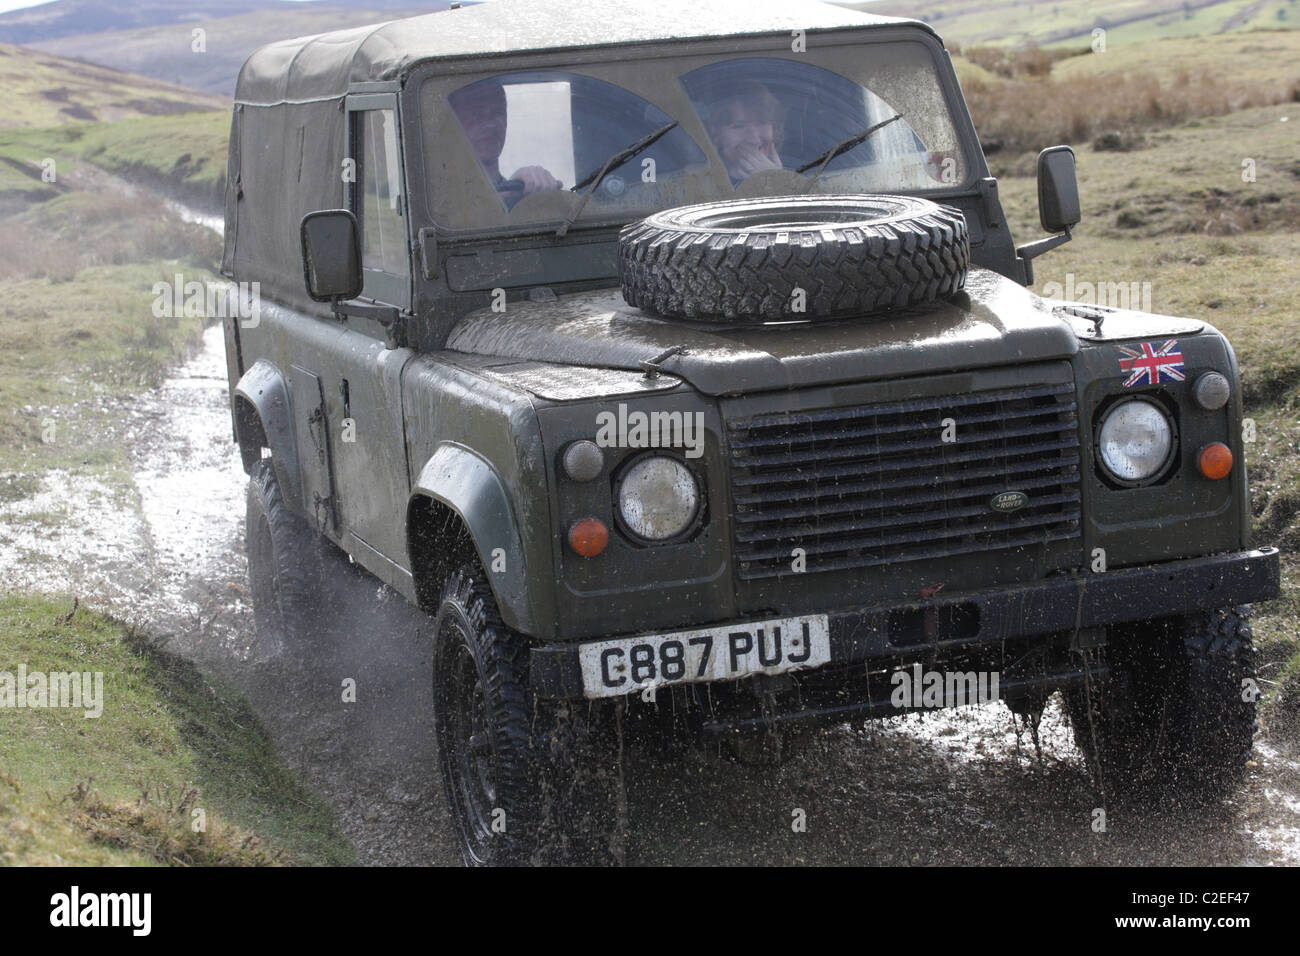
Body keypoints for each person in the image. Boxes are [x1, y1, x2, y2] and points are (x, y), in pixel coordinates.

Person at [449, 80, 561, 207]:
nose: (491, 124)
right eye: (476, 114)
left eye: (498, 113)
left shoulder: (522, 199)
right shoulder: (432, 200)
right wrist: (507, 194)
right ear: (451, 123)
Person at [702, 80, 786, 185]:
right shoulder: (690, 184)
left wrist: (777, 182)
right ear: (715, 133)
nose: (754, 139)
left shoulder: (801, 181)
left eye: (762, 123)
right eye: (738, 126)